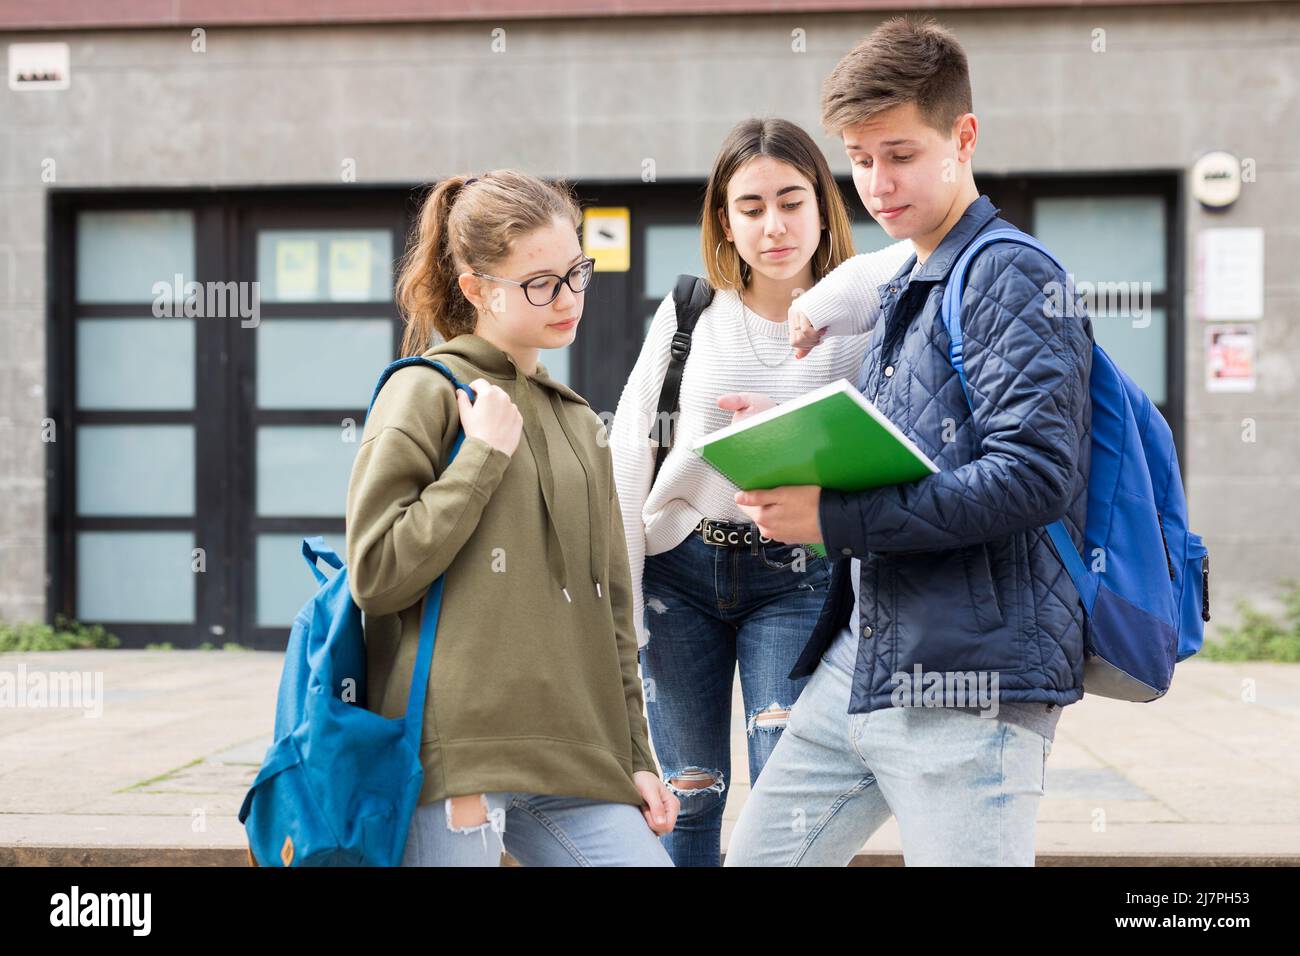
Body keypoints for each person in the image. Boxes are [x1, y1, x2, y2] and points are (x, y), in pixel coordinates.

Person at [724, 15, 1094, 866]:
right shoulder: (912, 279)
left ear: (963, 136)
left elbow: (1033, 476)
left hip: (973, 686)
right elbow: (914, 452)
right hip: (863, 664)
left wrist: (834, 518)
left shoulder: (1012, 274)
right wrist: (786, 442)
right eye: (859, 160)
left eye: (899, 154)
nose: (877, 183)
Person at [345, 170, 676, 866]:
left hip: (579, 756)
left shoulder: (580, 420)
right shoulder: (423, 392)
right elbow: (375, 574)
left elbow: (613, 608)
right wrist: (481, 457)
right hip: (457, 750)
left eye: (576, 273)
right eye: (541, 283)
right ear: (476, 288)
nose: (569, 299)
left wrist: (636, 754)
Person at [608, 117, 911, 866]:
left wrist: (822, 304)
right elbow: (628, 452)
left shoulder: (867, 317)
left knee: (786, 796)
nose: (773, 226)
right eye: (750, 207)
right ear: (724, 219)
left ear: (822, 206)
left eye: (791, 201)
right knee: (688, 796)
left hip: (797, 578)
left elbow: (920, 249)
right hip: (677, 576)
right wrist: (621, 615)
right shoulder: (689, 312)